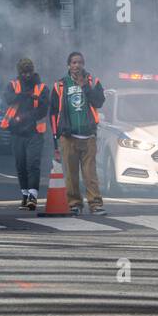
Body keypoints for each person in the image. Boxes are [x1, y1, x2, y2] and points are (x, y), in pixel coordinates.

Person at [48, 51, 107, 216]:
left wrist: (84, 86)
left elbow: (99, 102)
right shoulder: (60, 85)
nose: (77, 65)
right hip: (68, 137)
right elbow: (53, 113)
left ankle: (95, 204)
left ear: (84, 64)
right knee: (71, 174)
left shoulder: (93, 81)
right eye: (73, 62)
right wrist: (56, 137)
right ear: (68, 65)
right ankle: (74, 203)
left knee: (90, 174)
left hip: (88, 136)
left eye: (80, 62)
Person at [1, 57, 47, 210]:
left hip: (35, 132)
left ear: (33, 71)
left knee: (32, 164)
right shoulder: (12, 86)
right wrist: (26, 95)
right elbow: (8, 99)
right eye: (24, 72)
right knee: (20, 164)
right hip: (17, 132)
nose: (27, 75)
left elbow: (44, 109)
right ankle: (25, 195)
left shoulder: (42, 88)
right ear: (19, 72)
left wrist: (27, 115)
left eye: (29, 72)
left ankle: (33, 196)